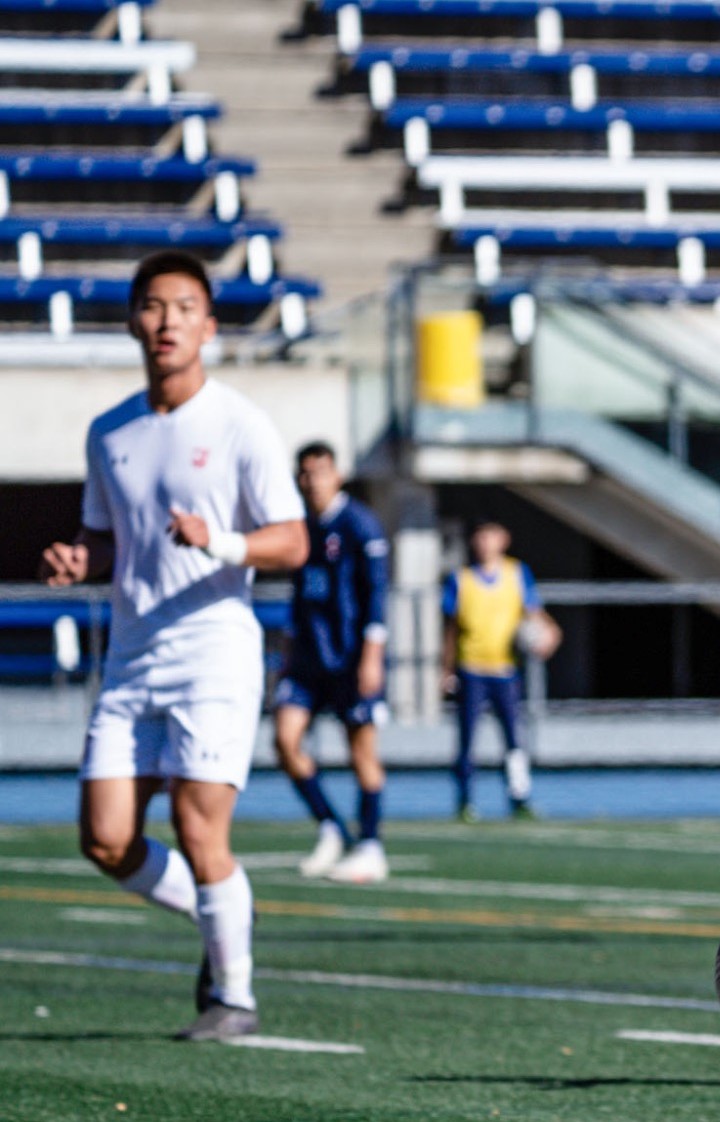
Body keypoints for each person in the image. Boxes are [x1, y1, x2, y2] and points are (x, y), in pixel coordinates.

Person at [42, 251, 308, 1041]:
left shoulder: (240, 424)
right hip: (131, 655)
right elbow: (105, 540)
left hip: (215, 649)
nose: (166, 322)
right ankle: (225, 918)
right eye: (153, 307)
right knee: (105, 838)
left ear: (209, 327)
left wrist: (220, 541)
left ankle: (235, 996)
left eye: (183, 308)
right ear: (133, 321)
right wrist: (77, 561)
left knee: (200, 831)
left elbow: (292, 542)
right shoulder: (110, 431)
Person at [274, 442, 393, 884]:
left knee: (361, 751)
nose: (313, 481)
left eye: (321, 471)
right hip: (308, 657)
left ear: (337, 475)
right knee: (286, 741)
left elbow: (376, 594)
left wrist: (372, 656)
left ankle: (371, 845)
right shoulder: (300, 527)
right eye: (305, 473)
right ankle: (330, 827)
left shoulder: (360, 524)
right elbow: (300, 595)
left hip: (350, 657)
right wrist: (288, 650)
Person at [441, 521, 561, 821]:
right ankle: (465, 800)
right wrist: (446, 668)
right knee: (467, 739)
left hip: (505, 670)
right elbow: (451, 629)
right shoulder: (462, 579)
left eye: (490, 536)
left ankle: (519, 796)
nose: (485, 543)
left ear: (503, 540)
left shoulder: (517, 574)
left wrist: (549, 632)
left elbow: (534, 613)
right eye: (480, 536)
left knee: (513, 738)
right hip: (471, 669)